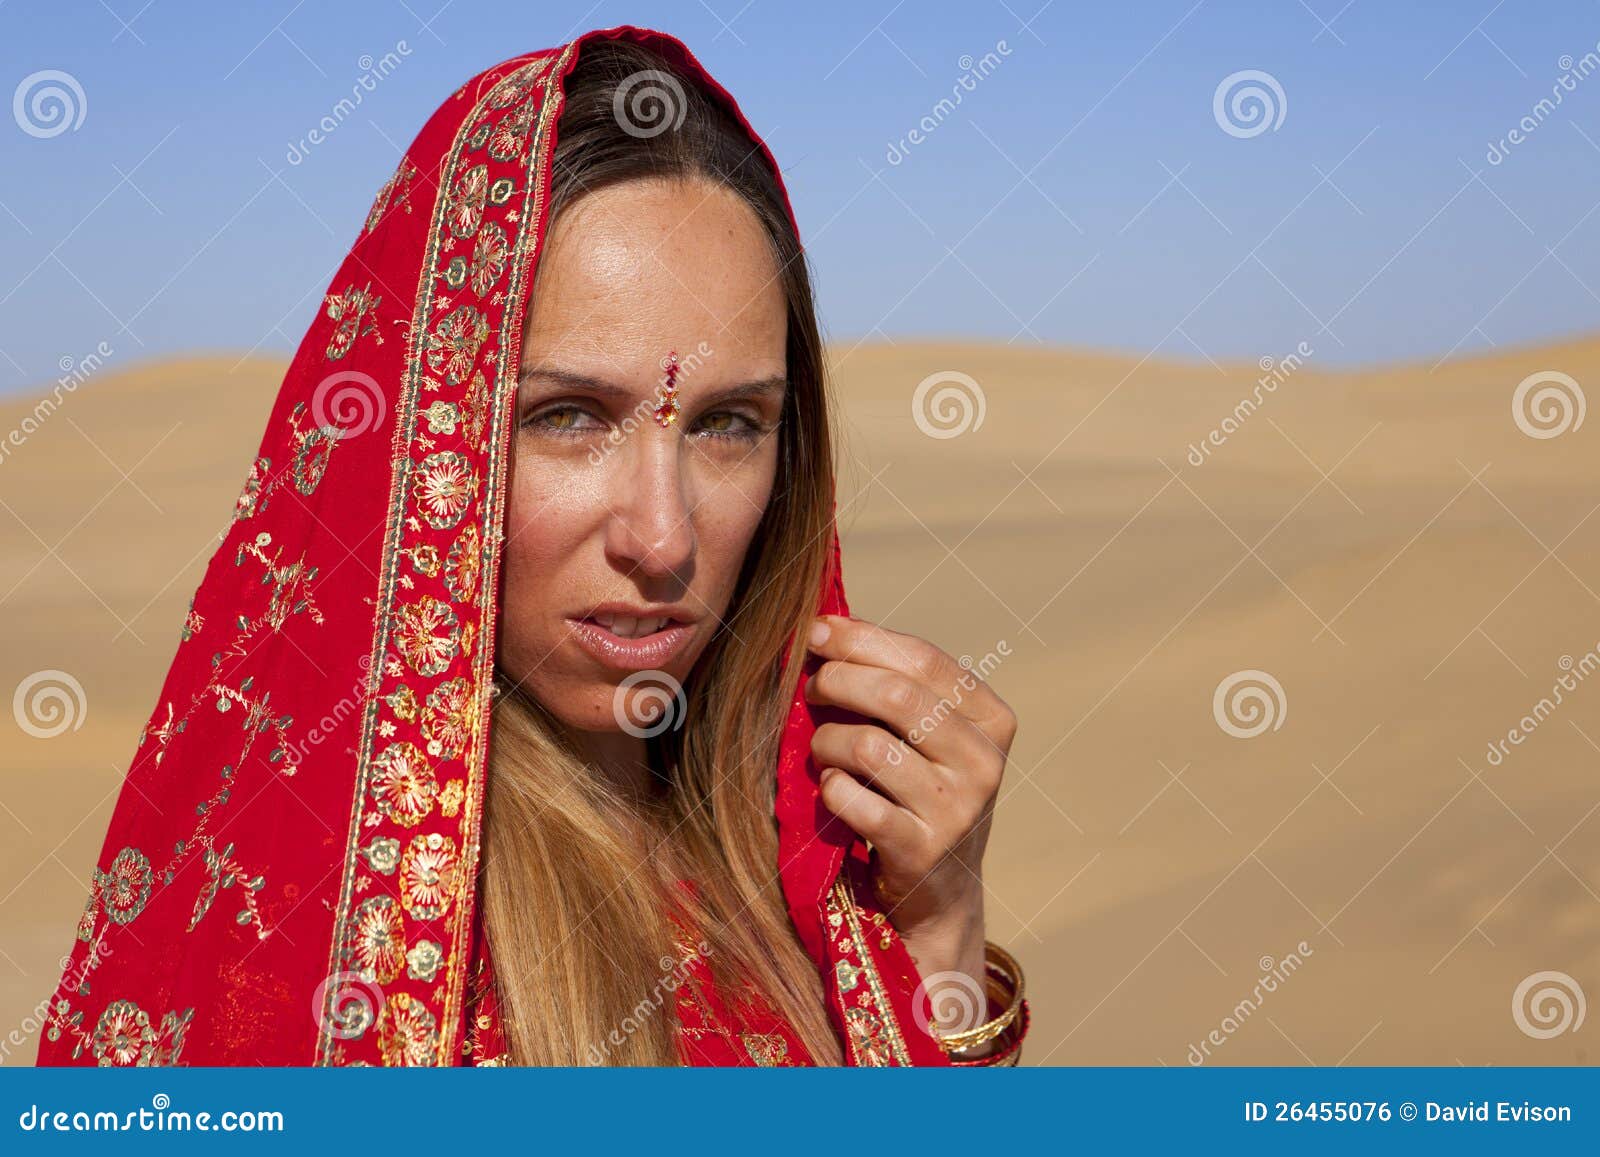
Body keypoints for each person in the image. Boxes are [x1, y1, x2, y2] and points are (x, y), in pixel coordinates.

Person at [36, 24, 1028, 1068]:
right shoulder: (298, 935)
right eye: (568, 417)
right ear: (422, 445)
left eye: (728, 423)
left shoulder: (801, 869)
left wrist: (937, 936)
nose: (662, 535)